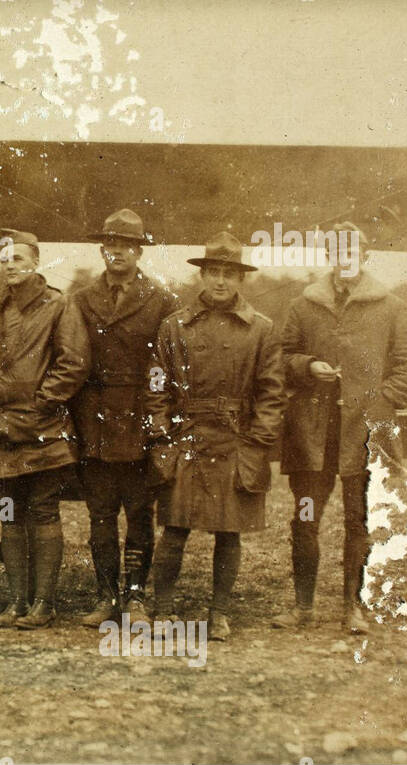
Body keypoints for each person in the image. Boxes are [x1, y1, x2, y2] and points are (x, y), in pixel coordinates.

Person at [273, 222, 407, 634]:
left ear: (364, 255)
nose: (345, 257)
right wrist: (307, 366)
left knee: (359, 521)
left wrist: (378, 401)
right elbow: (281, 358)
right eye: (336, 250)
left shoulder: (392, 307)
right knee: (305, 518)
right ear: (328, 255)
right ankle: (302, 607)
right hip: (311, 433)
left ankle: (352, 608)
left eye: (352, 250)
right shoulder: (303, 307)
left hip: (365, 433)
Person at [144, 232, 285, 641]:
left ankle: (219, 614)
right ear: (202, 276)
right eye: (213, 273)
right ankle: (163, 609)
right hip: (186, 439)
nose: (220, 281)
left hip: (235, 442)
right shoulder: (174, 327)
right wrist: (163, 437)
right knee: (174, 528)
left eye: (229, 274)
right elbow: (156, 386)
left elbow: (272, 393)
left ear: (241, 280)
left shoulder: (261, 330)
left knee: (229, 531)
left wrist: (257, 444)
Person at [0, 229, 90, 629]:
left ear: (35, 262)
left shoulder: (59, 305)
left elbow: (72, 364)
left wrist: (39, 405)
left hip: (42, 430)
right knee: (8, 514)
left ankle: (44, 603)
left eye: (18, 259)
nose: (9, 266)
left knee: (42, 511)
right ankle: (16, 602)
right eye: (5, 259)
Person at [68, 209, 180, 627]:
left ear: (139, 251)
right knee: (100, 514)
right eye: (111, 244)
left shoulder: (162, 299)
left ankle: (134, 599)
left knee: (138, 514)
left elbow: (169, 361)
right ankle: (105, 598)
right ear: (102, 250)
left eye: (127, 245)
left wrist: (159, 416)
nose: (118, 252)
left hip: (138, 417)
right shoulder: (80, 298)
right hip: (93, 417)